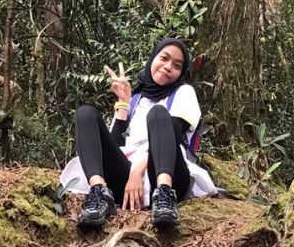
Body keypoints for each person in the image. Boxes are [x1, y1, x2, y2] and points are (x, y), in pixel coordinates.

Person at [60, 38, 217, 230]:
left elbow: (173, 134)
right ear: (152, 59)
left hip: (168, 172)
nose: (168, 67)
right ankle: (100, 192)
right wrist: (124, 104)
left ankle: (164, 196)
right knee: (84, 113)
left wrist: (138, 170)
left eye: (176, 65)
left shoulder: (184, 92)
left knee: (158, 114)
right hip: (127, 179)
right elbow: (115, 146)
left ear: (181, 72)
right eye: (164, 58)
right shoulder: (136, 99)